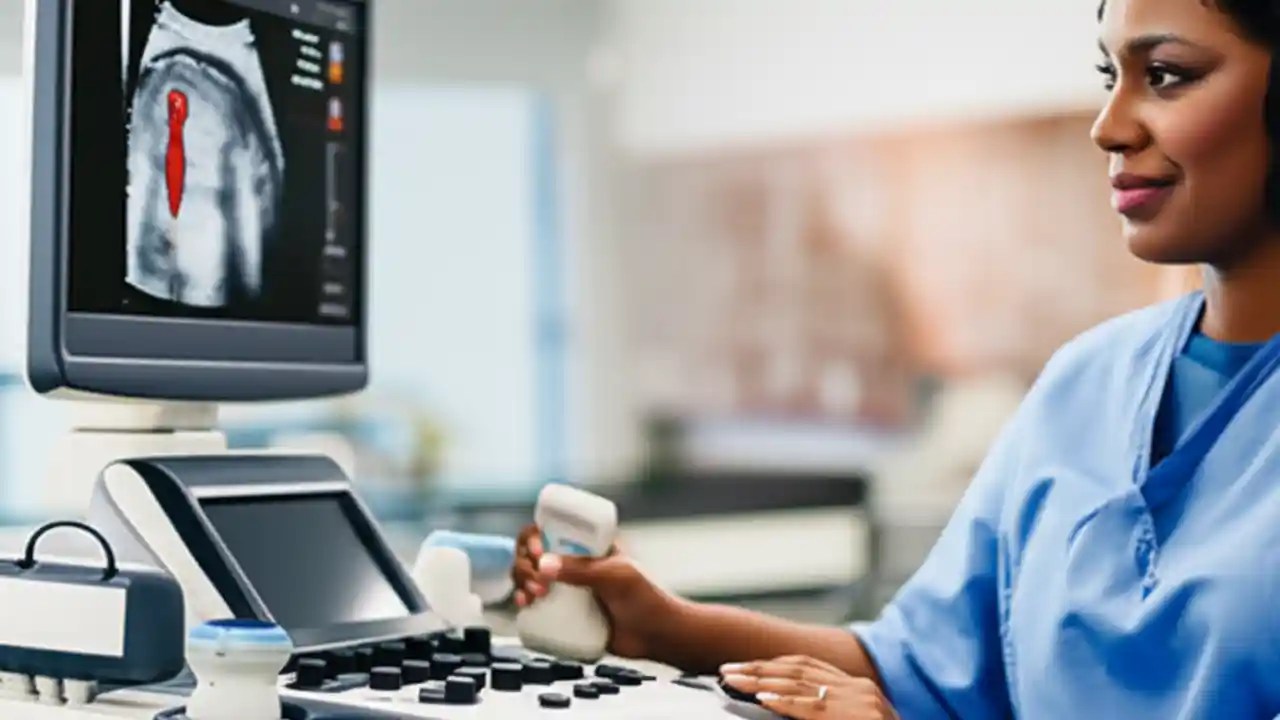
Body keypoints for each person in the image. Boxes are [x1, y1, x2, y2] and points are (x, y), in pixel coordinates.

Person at [510, 0, 1280, 718]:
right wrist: (658, 623)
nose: (1108, 127)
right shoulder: (1086, 382)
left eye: (1168, 76)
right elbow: (911, 669)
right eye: (1109, 77)